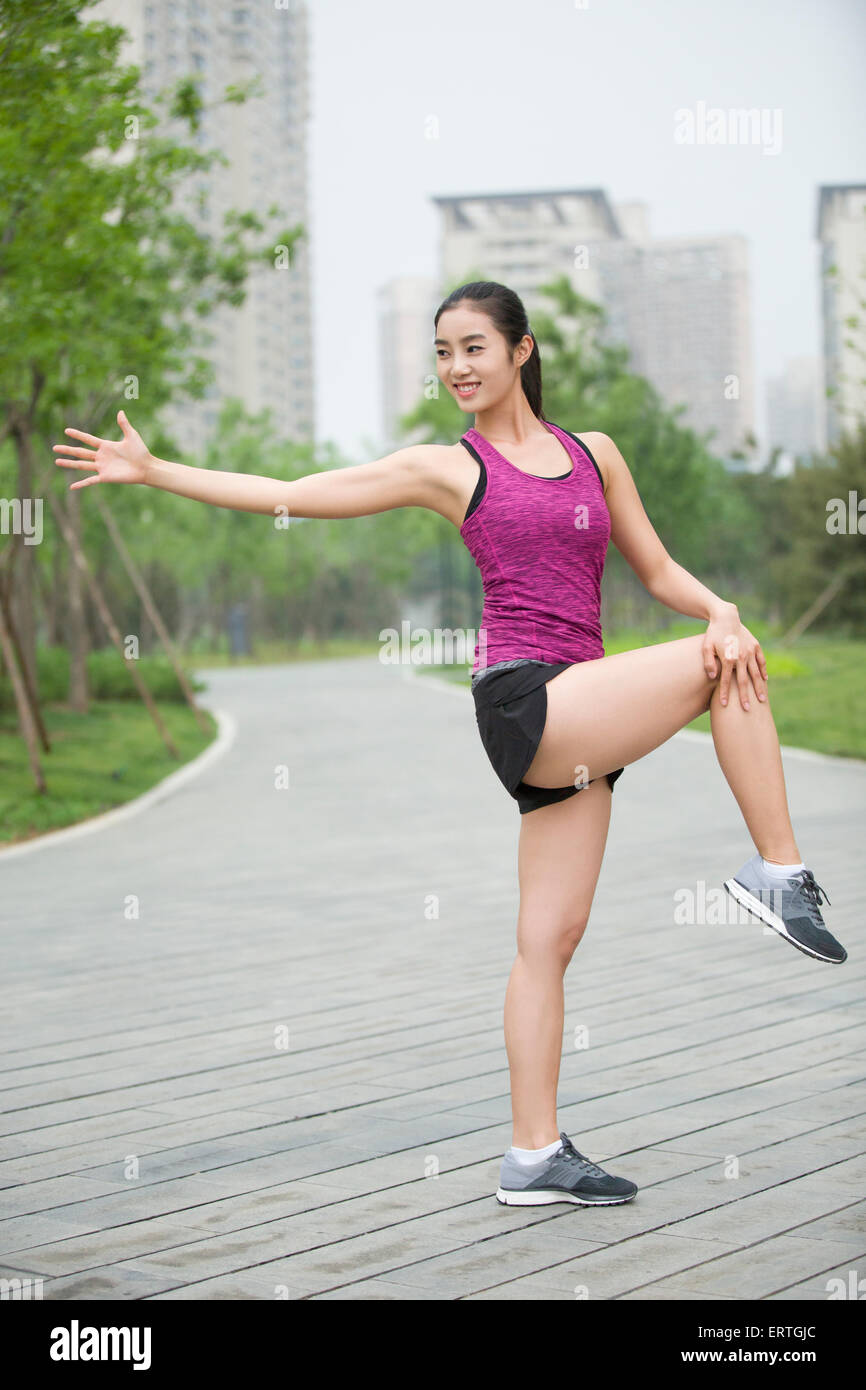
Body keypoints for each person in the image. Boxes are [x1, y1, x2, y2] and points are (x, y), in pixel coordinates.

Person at [53, 279, 845, 1212]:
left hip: (582, 704)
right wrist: (158, 472)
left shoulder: (596, 455)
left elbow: (658, 566)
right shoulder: (448, 468)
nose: (456, 367)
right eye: (441, 351)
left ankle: (533, 1155)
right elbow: (293, 494)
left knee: (548, 940)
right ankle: (778, 871)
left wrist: (717, 605)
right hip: (526, 701)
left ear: (522, 350)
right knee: (724, 666)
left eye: (473, 346)